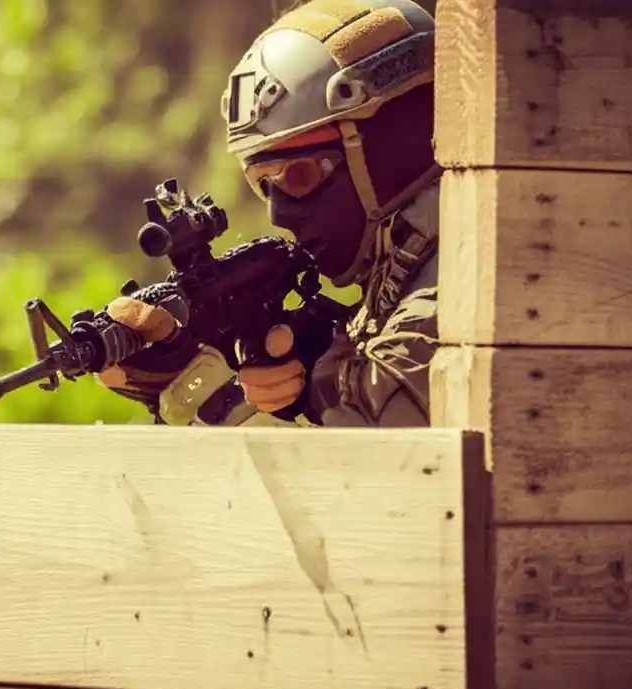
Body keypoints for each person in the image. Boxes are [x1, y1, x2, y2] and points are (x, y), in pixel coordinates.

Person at [99, 0, 441, 428]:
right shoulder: (401, 274)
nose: (278, 213)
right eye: (262, 182)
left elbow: (359, 472)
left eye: (298, 175)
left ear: (389, 147)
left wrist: (215, 398)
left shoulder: (457, 294)